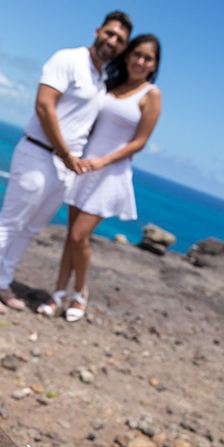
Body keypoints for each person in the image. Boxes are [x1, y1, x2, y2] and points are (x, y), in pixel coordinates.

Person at [0, 11, 133, 313]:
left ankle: (2, 281)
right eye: (109, 33)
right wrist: (66, 153)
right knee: (11, 221)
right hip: (40, 153)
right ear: (97, 30)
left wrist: (75, 159)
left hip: (66, 167)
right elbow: (44, 105)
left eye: (119, 39)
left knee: (30, 228)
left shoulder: (102, 79)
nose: (112, 41)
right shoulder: (68, 59)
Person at [38, 34, 162, 322]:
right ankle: (58, 294)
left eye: (148, 58)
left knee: (80, 235)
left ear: (154, 65)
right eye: (137, 54)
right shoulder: (111, 85)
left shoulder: (150, 94)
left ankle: (80, 293)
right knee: (71, 236)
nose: (140, 61)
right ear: (128, 55)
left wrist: (104, 161)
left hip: (110, 172)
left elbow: (140, 142)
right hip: (85, 165)